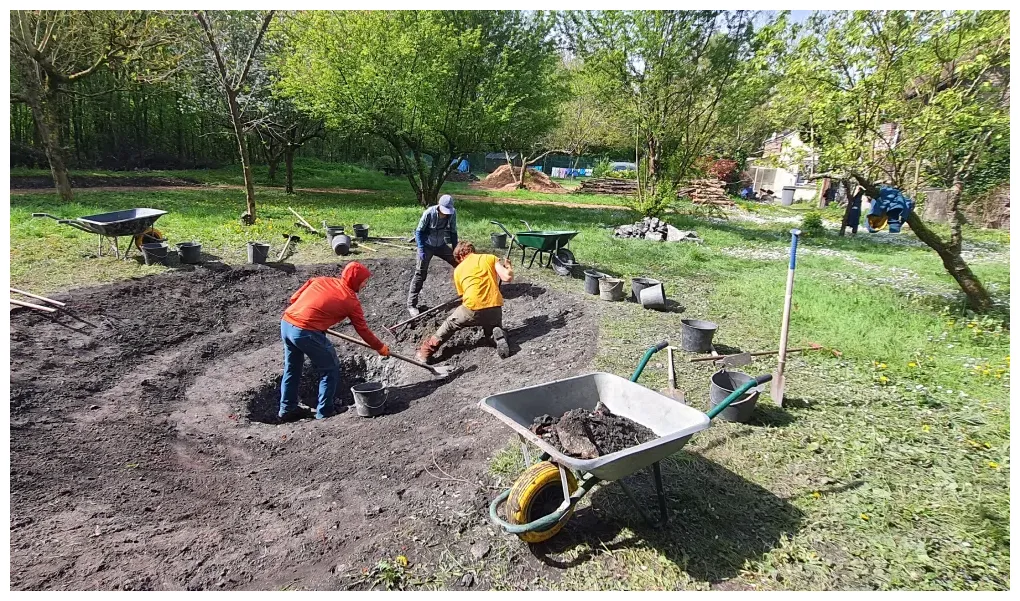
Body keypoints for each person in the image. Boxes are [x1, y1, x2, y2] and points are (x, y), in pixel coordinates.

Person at [280, 262, 389, 421]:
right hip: (306, 332)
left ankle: (287, 409)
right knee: (330, 368)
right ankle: (325, 411)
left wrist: (316, 316)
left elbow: (294, 298)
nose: (365, 284)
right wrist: (380, 347)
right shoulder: (350, 301)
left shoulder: (321, 280)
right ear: (355, 280)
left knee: (292, 367)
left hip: (287, 323)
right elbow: (363, 330)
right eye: (364, 281)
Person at [416, 241, 514, 363]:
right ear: (472, 250)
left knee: (450, 325)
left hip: (472, 308)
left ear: (460, 256)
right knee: (491, 328)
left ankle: (425, 352)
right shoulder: (490, 258)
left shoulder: (458, 270)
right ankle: (495, 336)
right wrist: (508, 266)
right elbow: (507, 277)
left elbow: (463, 295)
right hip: (495, 308)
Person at [407, 194, 459, 317]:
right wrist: (420, 248)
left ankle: (469, 291)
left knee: (459, 263)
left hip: (441, 245)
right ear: (439, 206)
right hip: (426, 245)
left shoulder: (452, 214)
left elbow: (453, 232)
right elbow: (419, 231)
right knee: (420, 273)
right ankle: (411, 305)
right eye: (444, 211)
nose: (446, 213)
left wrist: (456, 249)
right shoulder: (429, 213)